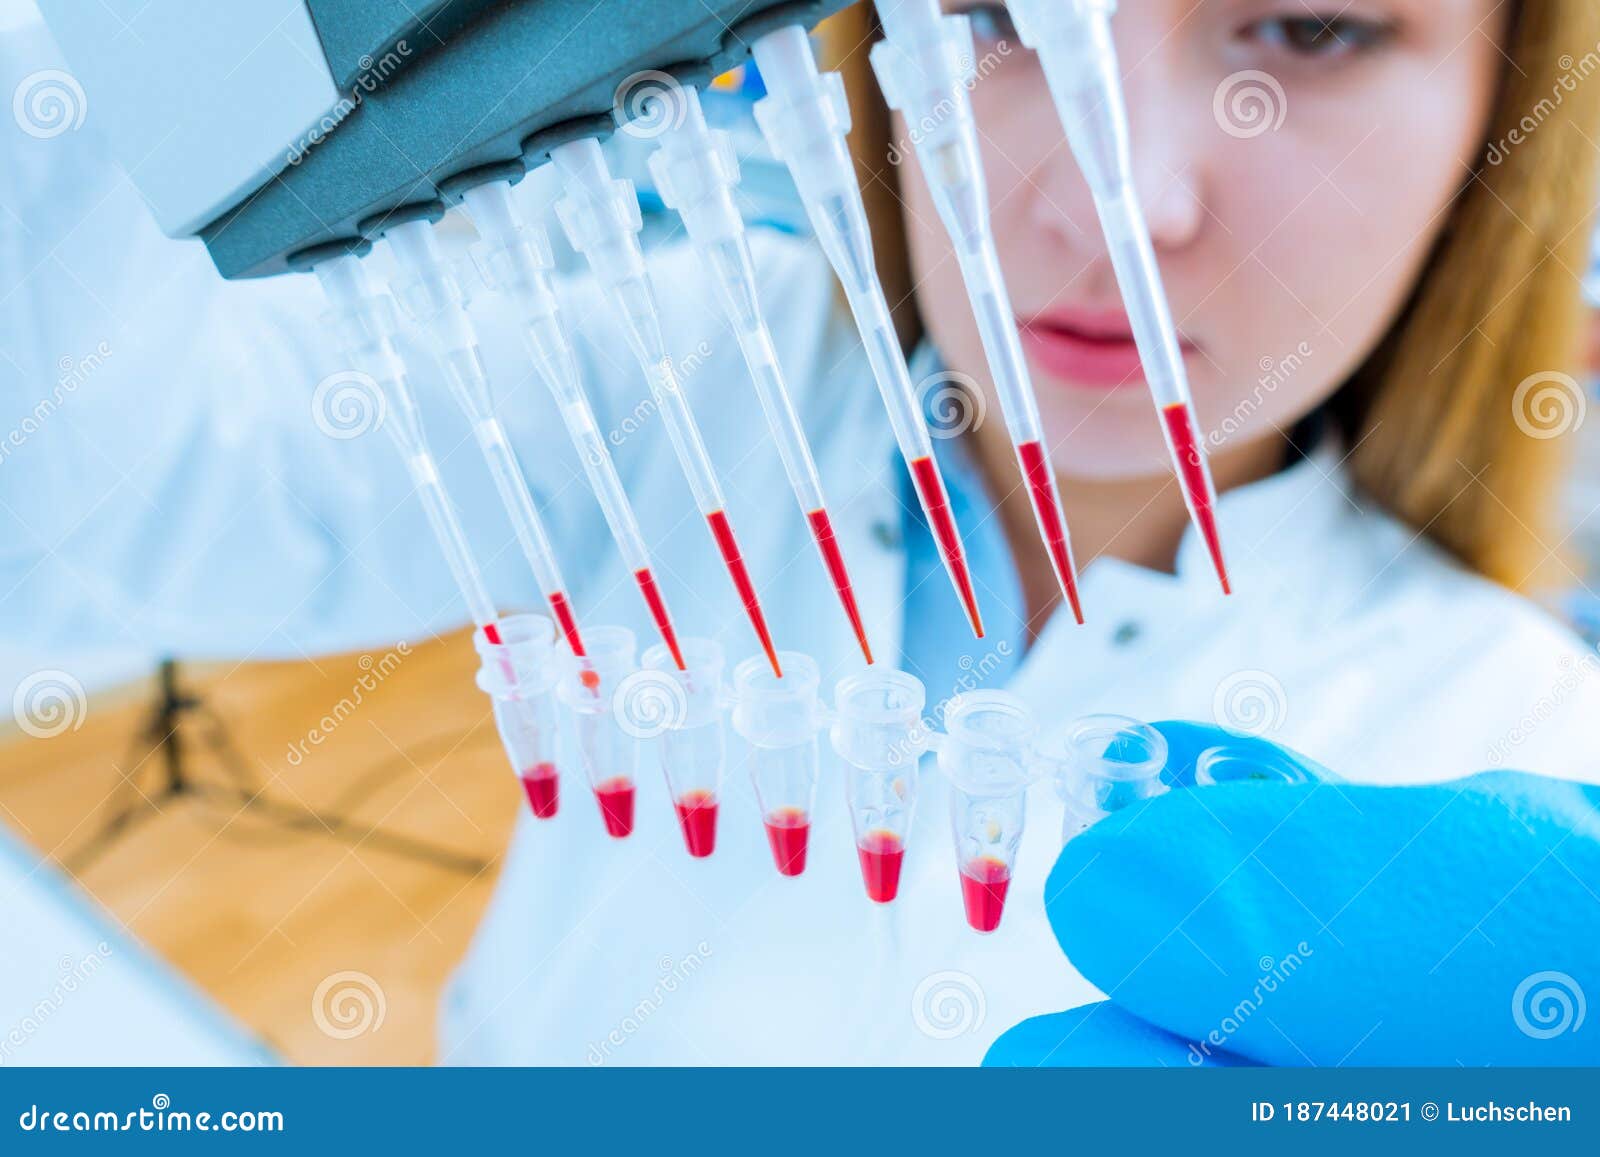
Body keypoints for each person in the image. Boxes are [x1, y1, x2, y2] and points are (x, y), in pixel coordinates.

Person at [3, 0, 1599, 1064]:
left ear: (1508, 101)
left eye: (1306, 27)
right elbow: (83, 502)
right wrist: (115, 48)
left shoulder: (1513, 754)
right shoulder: (675, 384)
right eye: (997, 10)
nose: (1123, 198)